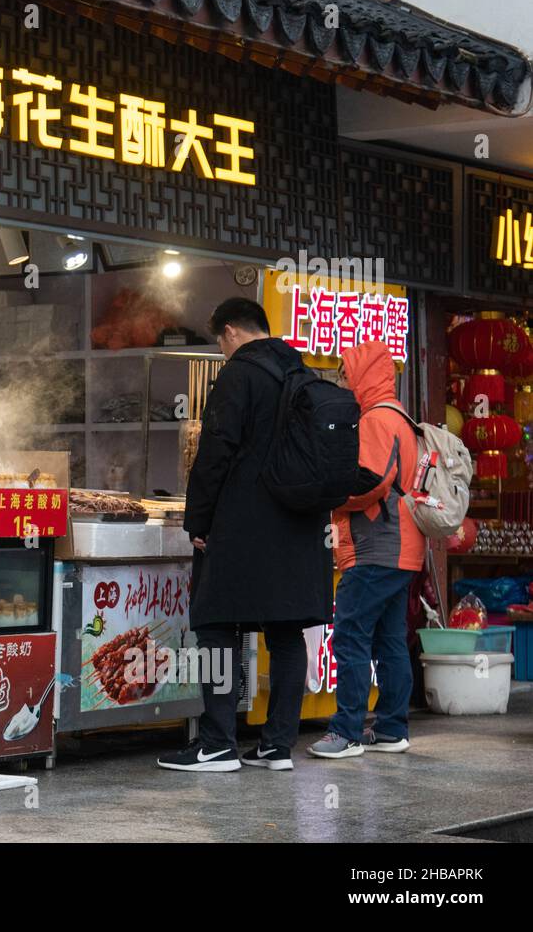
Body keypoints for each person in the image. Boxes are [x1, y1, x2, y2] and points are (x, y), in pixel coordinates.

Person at [158, 297, 333, 773]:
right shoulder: (303, 375)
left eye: (219, 339)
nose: (221, 348)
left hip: (243, 525)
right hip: (298, 525)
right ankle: (277, 746)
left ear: (231, 331)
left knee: (216, 622)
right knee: (286, 630)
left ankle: (217, 743)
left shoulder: (239, 374)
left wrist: (199, 519)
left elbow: (216, 450)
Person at [309, 340, 424, 758]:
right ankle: (392, 728)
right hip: (402, 546)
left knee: (351, 635)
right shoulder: (400, 416)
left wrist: (328, 497)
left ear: (364, 375)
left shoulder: (376, 419)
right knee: (391, 639)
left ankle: (347, 732)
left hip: (377, 545)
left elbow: (368, 481)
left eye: (345, 373)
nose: (342, 381)